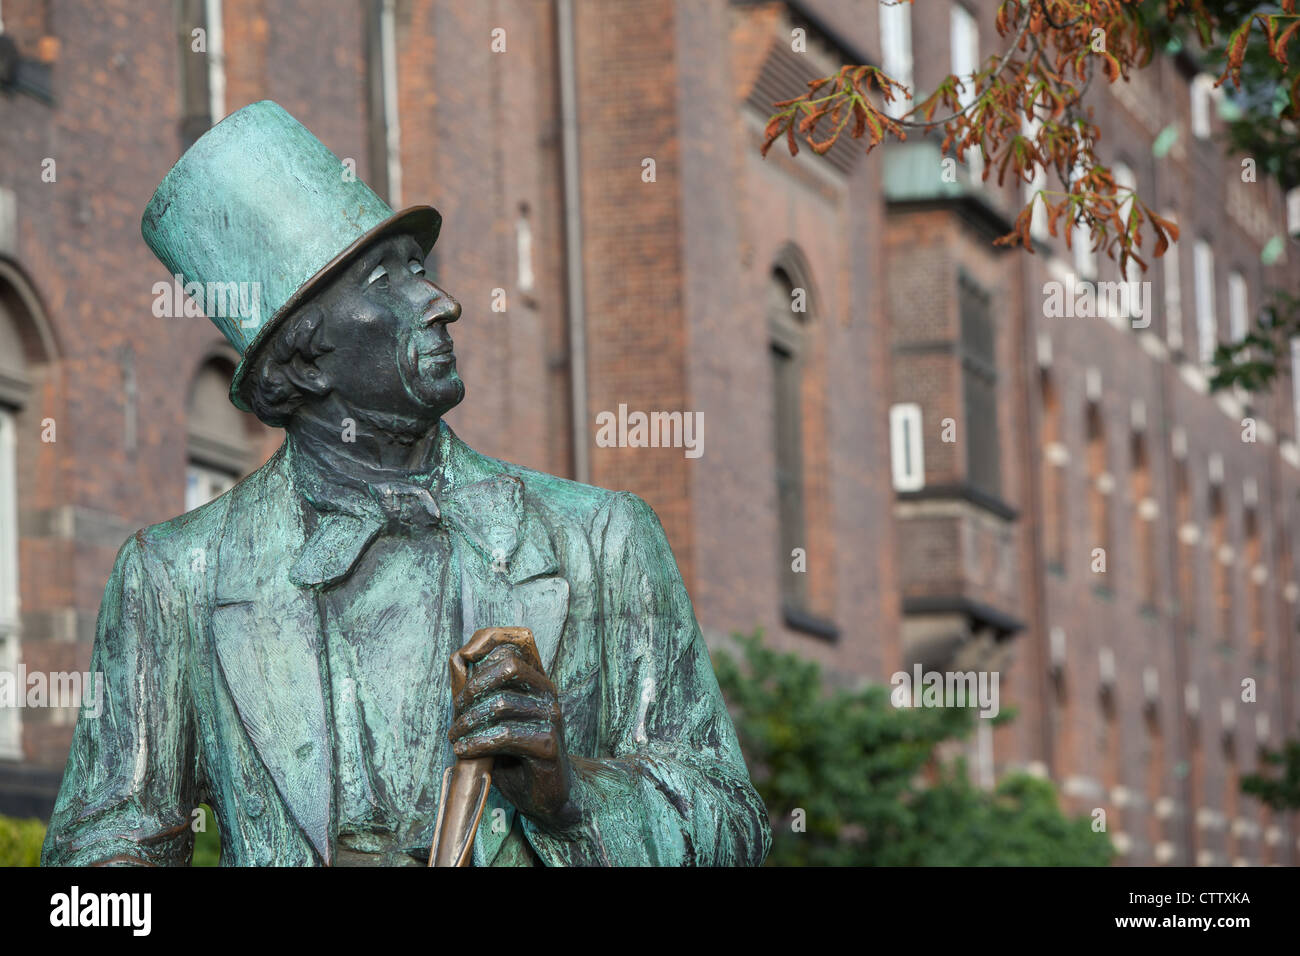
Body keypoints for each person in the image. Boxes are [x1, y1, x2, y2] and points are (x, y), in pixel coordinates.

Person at [41, 100, 770, 867]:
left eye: (421, 270)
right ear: (307, 356)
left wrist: (571, 796)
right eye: (387, 282)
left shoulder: (600, 539)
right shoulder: (172, 578)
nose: (442, 303)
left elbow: (734, 832)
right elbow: (93, 880)